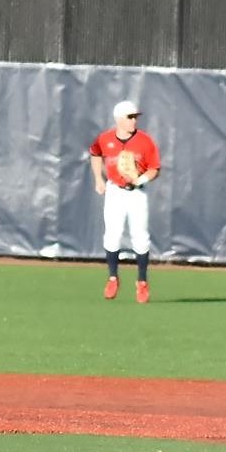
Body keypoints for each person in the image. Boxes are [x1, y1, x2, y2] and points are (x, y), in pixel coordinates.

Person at [88, 100, 161, 304]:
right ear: (118, 119)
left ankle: (142, 282)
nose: (133, 121)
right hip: (115, 191)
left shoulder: (145, 141)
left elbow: (155, 168)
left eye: (135, 117)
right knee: (112, 235)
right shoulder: (105, 139)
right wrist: (98, 179)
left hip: (137, 192)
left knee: (141, 237)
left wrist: (140, 179)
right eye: (130, 117)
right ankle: (112, 278)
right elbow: (94, 153)